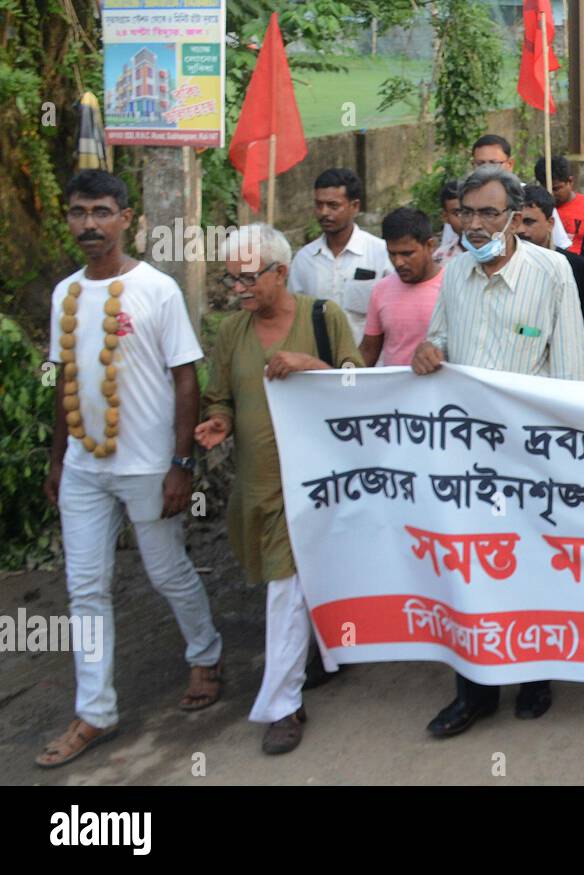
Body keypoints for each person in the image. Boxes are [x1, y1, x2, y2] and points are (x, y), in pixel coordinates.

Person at [37, 170, 223, 769]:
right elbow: (66, 378)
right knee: (85, 589)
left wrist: (180, 465)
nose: (88, 224)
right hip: (84, 468)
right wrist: (58, 457)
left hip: (148, 464)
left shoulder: (157, 288)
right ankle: (95, 711)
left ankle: (206, 652)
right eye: (77, 212)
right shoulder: (65, 293)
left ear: (127, 218)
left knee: (167, 571)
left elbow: (185, 375)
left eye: (99, 211)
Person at [410, 166, 584, 736]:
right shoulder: (455, 272)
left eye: (489, 213)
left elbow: (569, 373)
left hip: (527, 455)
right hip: (463, 458)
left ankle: (535, 677)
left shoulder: (553, 272)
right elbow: (437, 338)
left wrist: (561, 453)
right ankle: (475, 691)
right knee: (470, 567)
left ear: (514, 216)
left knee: (528, 563)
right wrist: (427, 352)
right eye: (468, 213)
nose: (477, 223)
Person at [198, 223, 363, 755]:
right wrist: (219, 421)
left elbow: (357, 386)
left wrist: (312, 365)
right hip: (260, 483)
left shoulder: (323, 317)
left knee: (284, 592)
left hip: (315, 483)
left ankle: (283, 705)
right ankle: (319, 658)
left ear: (280, 273)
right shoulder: (231, 333)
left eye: (247, 278)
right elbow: (219, 396)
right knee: (285, 588)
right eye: (231, 280)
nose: (238, 290)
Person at [287, 167, 393, 343]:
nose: (324, 213)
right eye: (319, 205)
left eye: (333, 206)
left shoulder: (381, 253)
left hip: (370, 367)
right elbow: (294, 317)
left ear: (355, 206)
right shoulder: (304, 260)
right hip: (320, 366)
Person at [519, 184, 584, 367]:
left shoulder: (577, 268)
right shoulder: (501, 269)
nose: (521, 230)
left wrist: (569, 356)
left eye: (529, 222)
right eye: (515, 221)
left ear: (550, 223)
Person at [360, 207, 445, 367]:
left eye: (407, 254)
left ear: (430, 245)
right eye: (392, 254)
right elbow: (368, 351)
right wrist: (341, 379)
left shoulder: (452, 288)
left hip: (441, 390)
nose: (398, 262)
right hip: (394, 391)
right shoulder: (381, 290)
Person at [472, 135, 572, 249]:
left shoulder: (532, 196)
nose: (487, 170)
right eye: (480, 164)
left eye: (493, 163)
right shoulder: (466, 200)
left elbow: (561, 245)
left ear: (510, 164)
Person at [538, 155, 584, 255]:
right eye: (546, 189)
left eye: (556, 189)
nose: (551, 194)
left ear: (570, 182)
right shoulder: (538, 210)